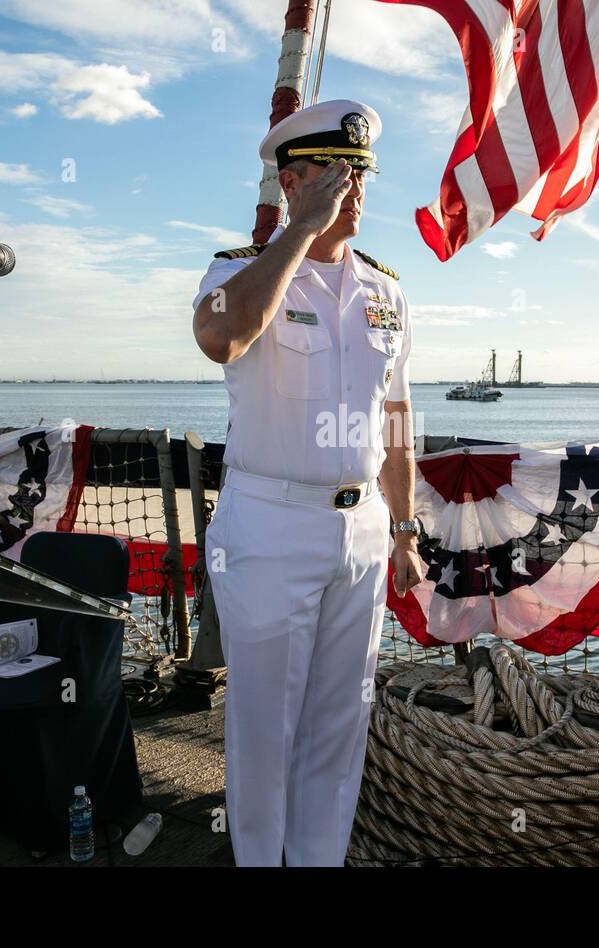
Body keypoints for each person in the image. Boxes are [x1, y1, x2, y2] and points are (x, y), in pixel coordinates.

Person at [190, 99, 426, 866]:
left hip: (360, 532)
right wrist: (297, 234)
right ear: (291, 182)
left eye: (359, 174)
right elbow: (223, 337)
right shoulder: (236, 272)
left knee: (337, 724)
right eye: (333, 173)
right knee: (264, 726)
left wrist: (405, 527)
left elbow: (396, 414)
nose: (352, 188)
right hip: (269, 524)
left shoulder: (386, 291)